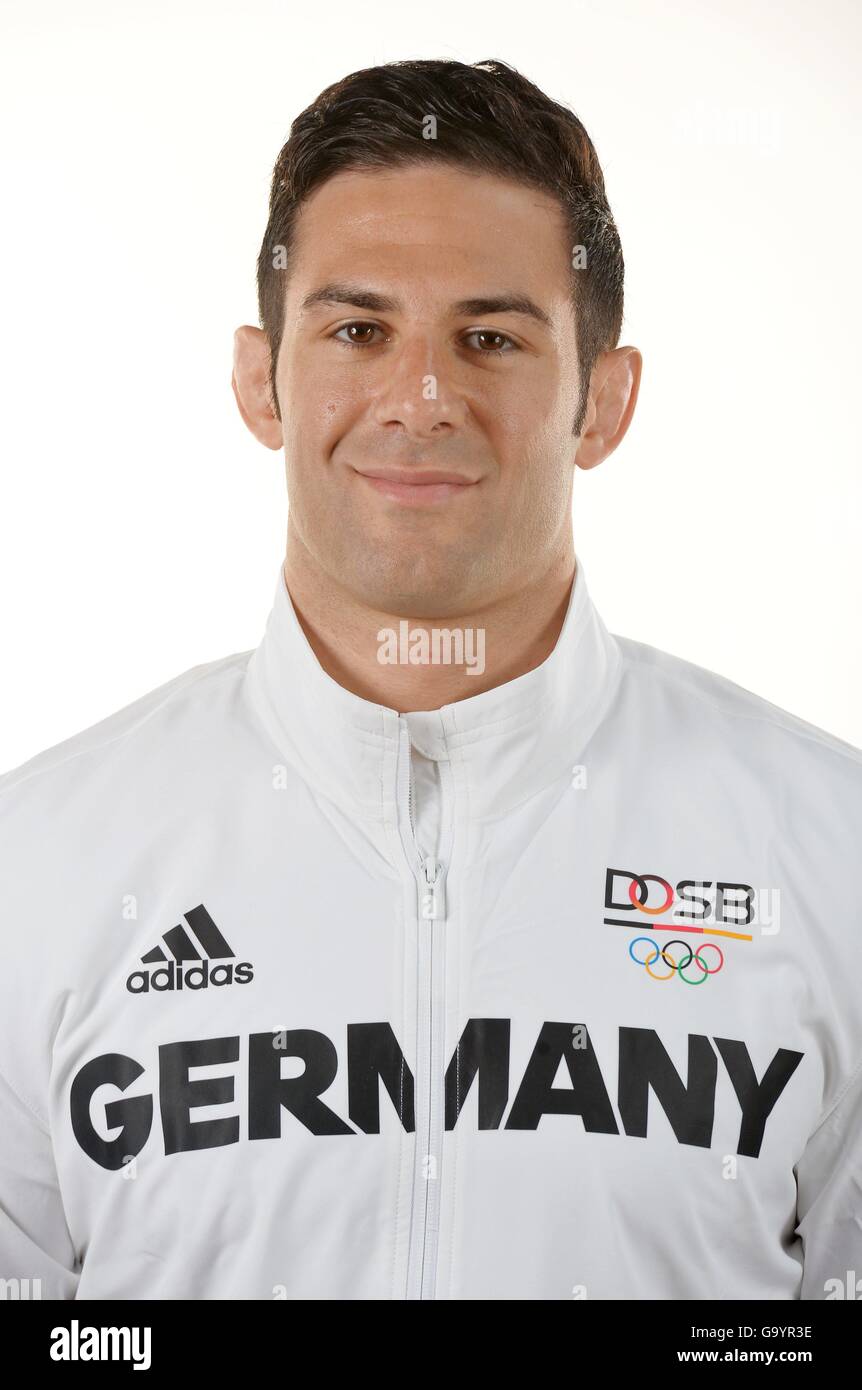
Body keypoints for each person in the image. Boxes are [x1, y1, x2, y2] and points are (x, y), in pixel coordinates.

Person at [1, 57, 859, 1302]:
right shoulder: (36, 870)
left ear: (602, 402)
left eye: (491, 337)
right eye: (358, 329)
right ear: (262, 380)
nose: (420, 397)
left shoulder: (828, 855)